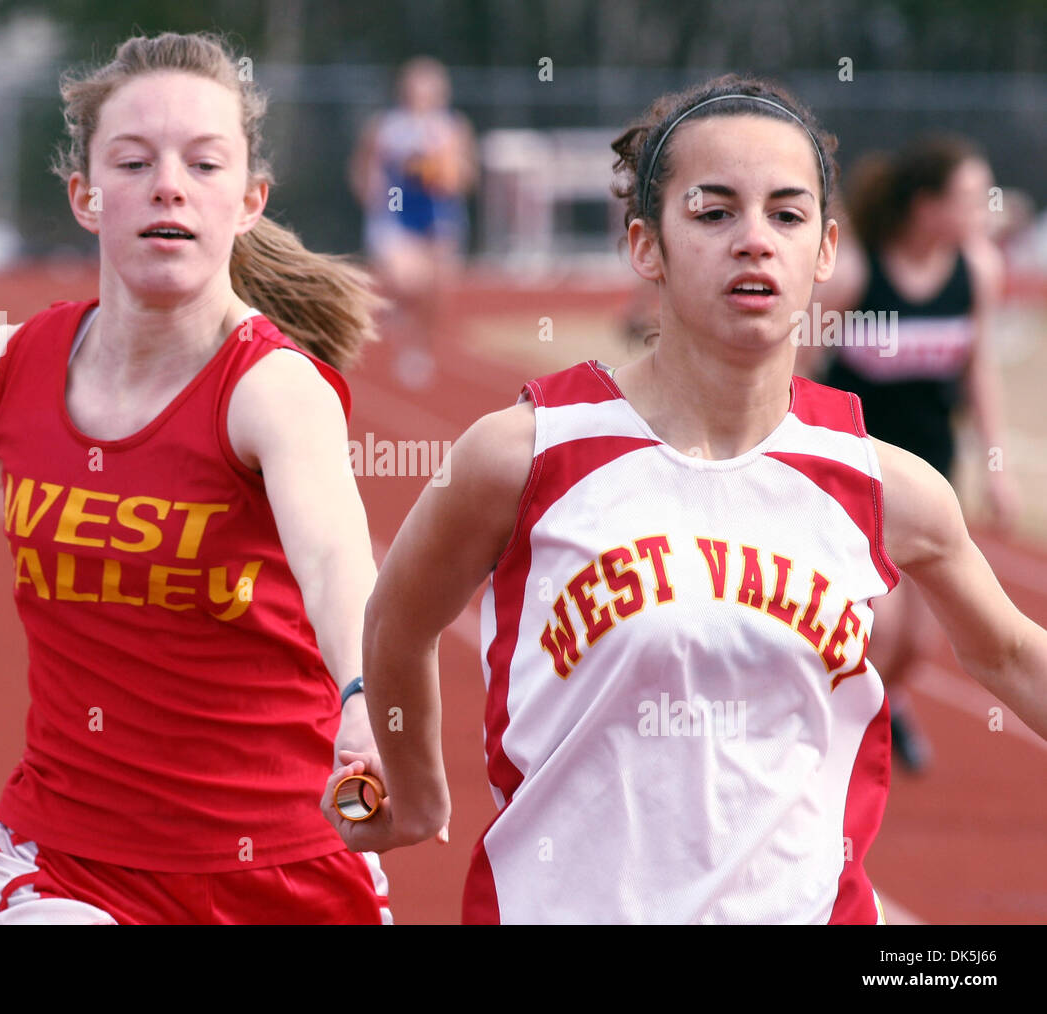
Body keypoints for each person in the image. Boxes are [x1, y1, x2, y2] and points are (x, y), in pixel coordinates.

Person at [321, 75, 1047, 924]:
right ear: (645, 246)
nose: (754, 241)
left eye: (786, 214)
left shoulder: (890, 486)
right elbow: (397, 621)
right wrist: (414, 792)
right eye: (712, 213)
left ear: (824, 250)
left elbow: (1009, 654)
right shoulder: (524, 453)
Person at [0, 30, 391, 925]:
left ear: (250, 200)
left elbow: (336, 558)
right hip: (73, 861)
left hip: (284, 865)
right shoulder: (14, 367)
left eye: (204, 164)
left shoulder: (272, 391)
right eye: (133, 162)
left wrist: (364, 695)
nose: (168, 184)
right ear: (86, 197)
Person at [807, 136, 1019, 773]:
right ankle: (828, 739)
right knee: (883, 626)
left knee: (916, 645)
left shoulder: (976, 269)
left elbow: (979, 368)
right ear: (926, 206)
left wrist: (996, 465)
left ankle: (886, 703)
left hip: (931, 472)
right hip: (854, 469)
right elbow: (799, 368)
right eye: (968, 198)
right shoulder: (854, 273)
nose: (985, 209)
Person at [349, 56, 477, 390]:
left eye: (430, 87)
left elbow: (466, 175)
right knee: (404, 281)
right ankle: (400, 318)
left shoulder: (451, 127)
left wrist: (445, 171)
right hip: (396, 216)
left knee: (437, 288)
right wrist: (372, 190)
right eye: (417, 86)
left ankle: (420, 346)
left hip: (438, 216)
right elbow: (364, 168)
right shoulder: (386, 126)